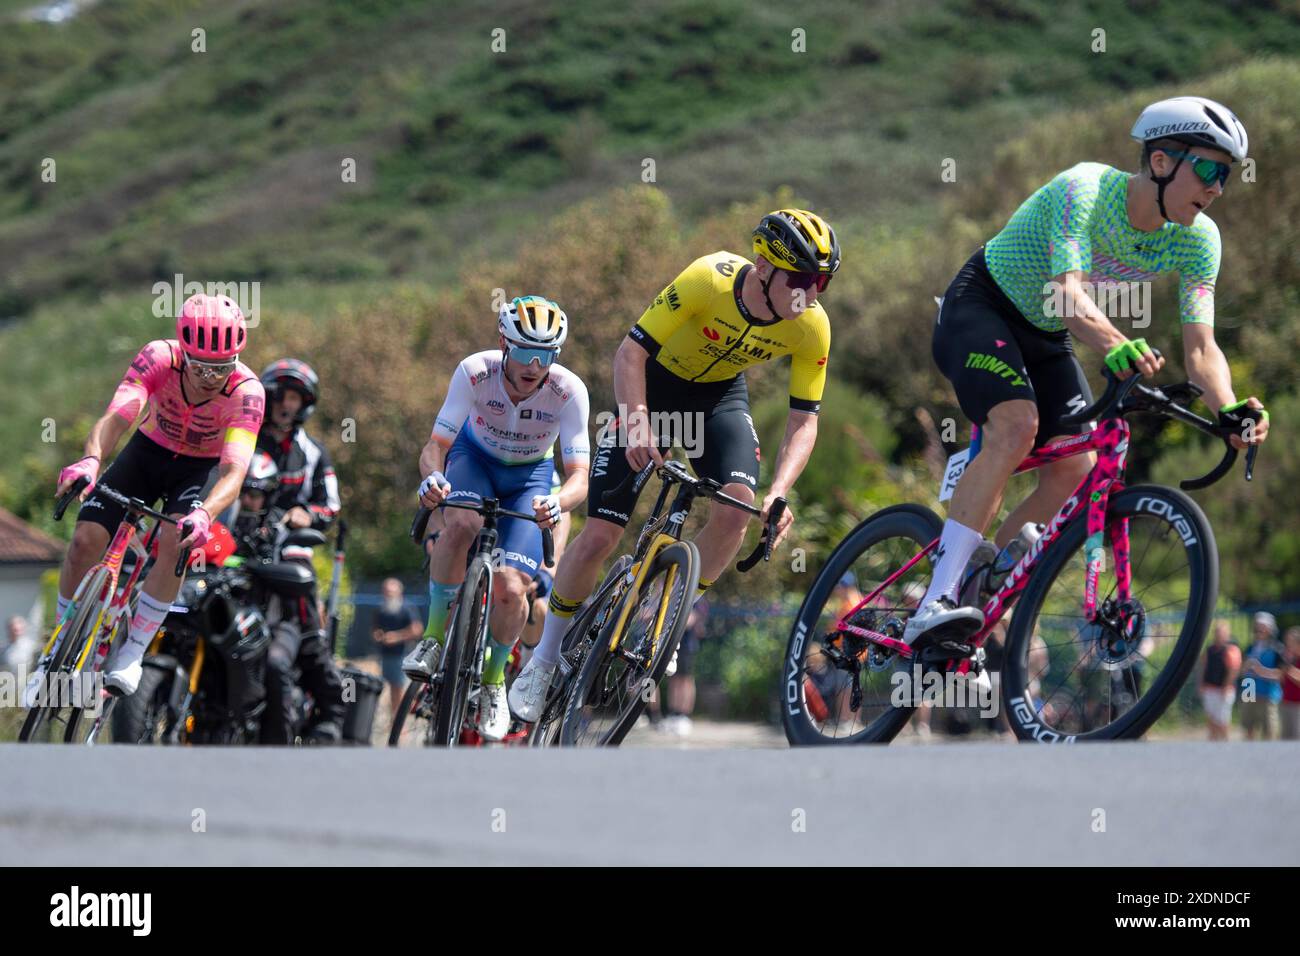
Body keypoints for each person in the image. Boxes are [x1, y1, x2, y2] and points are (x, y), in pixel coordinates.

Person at [914, 96, 1269, 651]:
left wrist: (1226, 407)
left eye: (1225, 175)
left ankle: (973, 591)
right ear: (1160, 162)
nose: (1218, 186)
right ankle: (934, 597)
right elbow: (1067, 291)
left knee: (1078, 466)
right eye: (1207, 169)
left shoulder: (1200, 238)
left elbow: (1202, 347)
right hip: (982, 305)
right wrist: (1118, 345)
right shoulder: (1085, 190)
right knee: (1016, 426)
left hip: (1046, 334)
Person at [511, 208, 839, 723]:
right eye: (801, 280)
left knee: (738, 510)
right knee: (600, 534)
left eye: (821, 282)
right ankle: (544, 658)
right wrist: (637, 422)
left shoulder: (812, 328)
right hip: (652, 388)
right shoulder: (708, 278)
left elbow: (804, 420)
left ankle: (665, 621)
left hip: (718, 402)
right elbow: (628, 356)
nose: (810, 295)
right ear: (763, 266)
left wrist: (780, 489)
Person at [27, 293, 264, 703]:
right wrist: (90, 460)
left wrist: (205, 515)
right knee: (85, 540)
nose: (212, 378)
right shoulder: (158, 357)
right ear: (184, 352)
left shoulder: (248, 392)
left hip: (199, 470)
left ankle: (133, 650)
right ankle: (57, 647)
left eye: (222, 367)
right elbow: (120, 414)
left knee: (177, 541)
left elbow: (234, 470)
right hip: (148, 452)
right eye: (203, 367)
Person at [404, 295, 591, 741]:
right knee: (462, 526)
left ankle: (491, 683)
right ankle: (432, 638)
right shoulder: (475, 371)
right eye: (525, 352)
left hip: (530, 478)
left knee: (512, 588)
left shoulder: (569, 390)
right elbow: (436, 447)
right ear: (504, 344)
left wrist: (559, 502)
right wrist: (432, 478)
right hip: (475, 460)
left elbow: (580, 476)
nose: (534, 365)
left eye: (545, 355)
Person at [230, 451, 347, 744]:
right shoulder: (219, 523)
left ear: (268, 496)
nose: (247, 500)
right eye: (242, 492)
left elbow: (300, 574)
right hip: (226, 622)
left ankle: (276, 750)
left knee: (274, 663)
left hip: (276, 624)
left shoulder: (280, 531)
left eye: (255, 494)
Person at [256, 358, 341, 533]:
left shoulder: (315, 452)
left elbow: (331, 506)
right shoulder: (243, 440)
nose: (285, 404)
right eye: (279, 396)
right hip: (234, 532)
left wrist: (307, 514)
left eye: (293, 398)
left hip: (289, 540)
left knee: (296, 560)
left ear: (304, 404)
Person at [372, 578, 422, 721]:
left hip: (402, 654)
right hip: (385, 655)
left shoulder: (407, 608)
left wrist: (396, 637)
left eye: (390, 592)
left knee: (398, 689)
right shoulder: (380, 609)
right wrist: (379, 636)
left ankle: (399, 723)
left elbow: (417, 629)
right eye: (385, 591)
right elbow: (375, 630)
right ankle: (394, 721)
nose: (387, 594)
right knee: (390, 689)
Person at [1239, 611, 1284, 741]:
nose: (1258, 630)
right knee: (1248, 728)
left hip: (1268, 694)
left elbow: (1281, 674)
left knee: (1268, 730)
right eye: (1257, 626)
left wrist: (1260, 671)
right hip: (1249, 690)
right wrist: (1244, 668)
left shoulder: (1277, 649)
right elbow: (1242, 672)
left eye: (1262, 627)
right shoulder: (1249, 647)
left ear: (1270, 629)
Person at [1198, 619, 1241, 741]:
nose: (1218, 635)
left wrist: (1226, 686)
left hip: (1223, 690)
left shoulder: (1231, 650)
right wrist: (1202, 683)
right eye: (1216, 632)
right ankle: (1213, 741)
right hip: (1210, 688)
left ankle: (1225, 742)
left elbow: (1233, 669)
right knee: (1211, 718)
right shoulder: (1210, 649)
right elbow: (1204, 667)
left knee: (1223, 720)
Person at [1281, 626, 1300, 741]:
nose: (1287, 644)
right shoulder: (1290, 658)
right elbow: (1283, 678)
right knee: (1285, 741)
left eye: (1290, 641)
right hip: (1286, 703)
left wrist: (1289, 671)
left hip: (1297, 706)